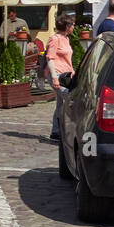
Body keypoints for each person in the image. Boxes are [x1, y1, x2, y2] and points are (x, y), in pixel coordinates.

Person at [47, 13, 76, 141]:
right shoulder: (55, 39)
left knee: (60, 104)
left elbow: (66, 59)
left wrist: (72, 71)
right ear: (67, 25)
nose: (74, 27)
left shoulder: (66, 39)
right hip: (57, 75)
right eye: (72, 24)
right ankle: (70, 131)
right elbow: (50, 58)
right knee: (71, 101)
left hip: (66, 76)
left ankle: (56, 132)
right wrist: (54, 77)